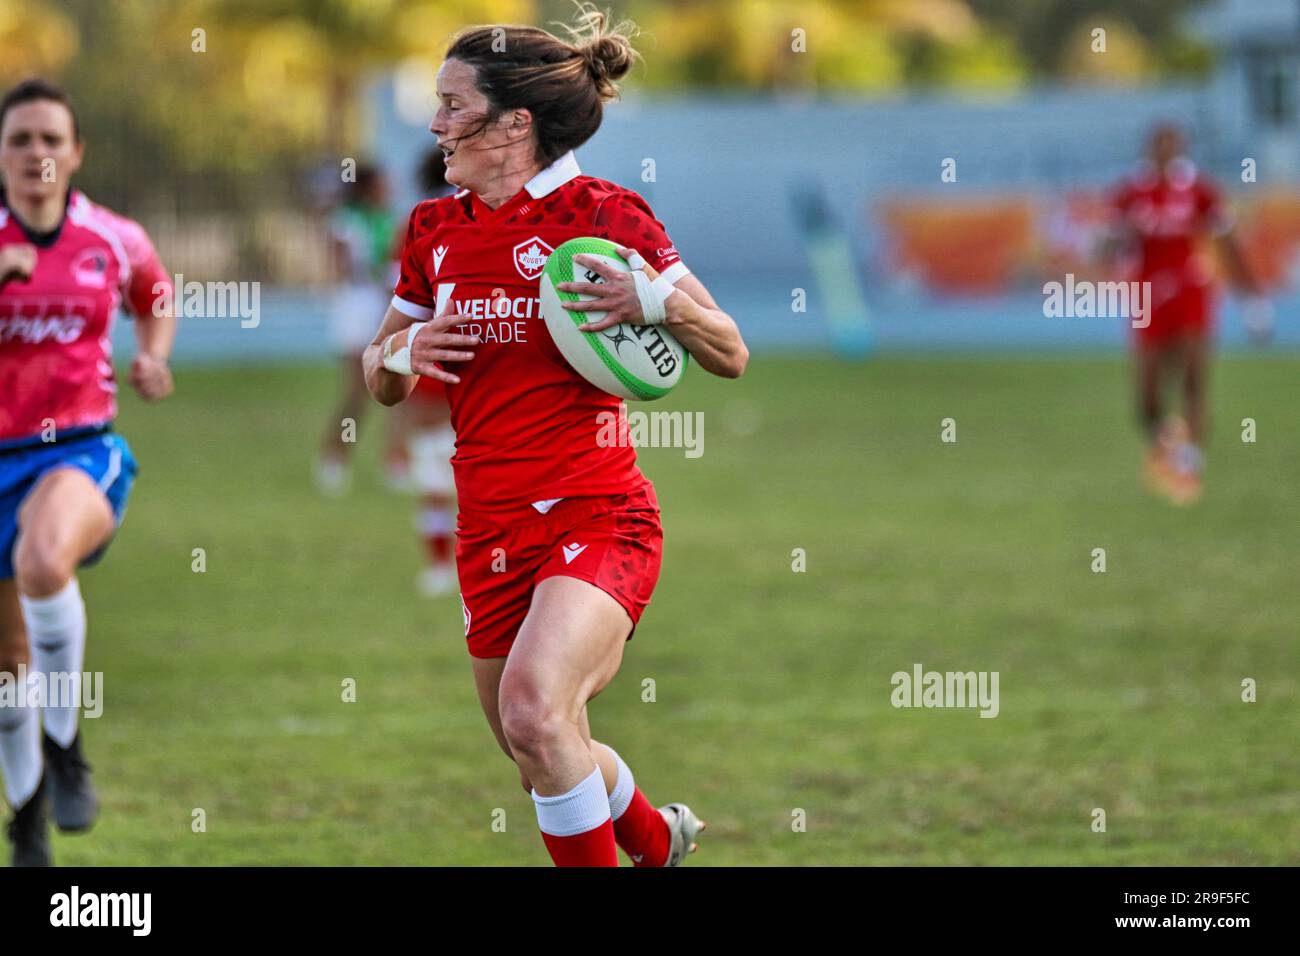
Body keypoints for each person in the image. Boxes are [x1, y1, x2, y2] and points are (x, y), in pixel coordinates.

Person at [363, 7, 748, 866]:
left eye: (453, 105)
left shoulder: (607, 214)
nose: (435, 125)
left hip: (598, 513)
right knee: (533, 741)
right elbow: (378, 381)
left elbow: (730, 352)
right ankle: (658, 838)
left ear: (515, 124)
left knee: (537, 711)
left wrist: (657, 303)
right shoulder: (434, 230)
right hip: (488, 523)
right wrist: (401, 349)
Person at [0, 78, 175, 866]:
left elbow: (157, 289)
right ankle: (27, 815)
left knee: (43, 560)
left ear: (75, 153)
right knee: (8, 679)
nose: (36, 152)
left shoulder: (111, 237)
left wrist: (152, 355)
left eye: (49, 139)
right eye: (19, 139)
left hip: (79, 448)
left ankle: (68, 750)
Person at [1108, 123, 1266, 505]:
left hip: (1190, 288)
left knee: (1195, 375)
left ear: (1182, 147)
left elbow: (1227, 245)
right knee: (1147, 393)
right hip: (1146, 291)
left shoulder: (1200, 190)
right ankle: (1164, 441)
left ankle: (1187, 466)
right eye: (1158, 143)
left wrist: (1253, 303)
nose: (1165, 150)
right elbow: (1108, 248)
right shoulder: (1130, 193)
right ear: (1147, 149)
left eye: (1172, 143)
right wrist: (1113, 239)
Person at [315, 164, 402, 495]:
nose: (388, 191)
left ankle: (396, 460)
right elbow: (338, 265)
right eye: (382, 185)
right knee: (358, 391)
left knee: (400, 385)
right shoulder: (346, 222)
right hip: (356, 308)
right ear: (367, 188)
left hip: (387, 306)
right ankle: (334, 457)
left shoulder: (391, 221)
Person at [394, 150, 458, 597]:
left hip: (430, 358)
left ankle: (439, 565)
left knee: (434, 467)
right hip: (489, 359)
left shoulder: (417, 224)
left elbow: (398, 299)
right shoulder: (500, 212)